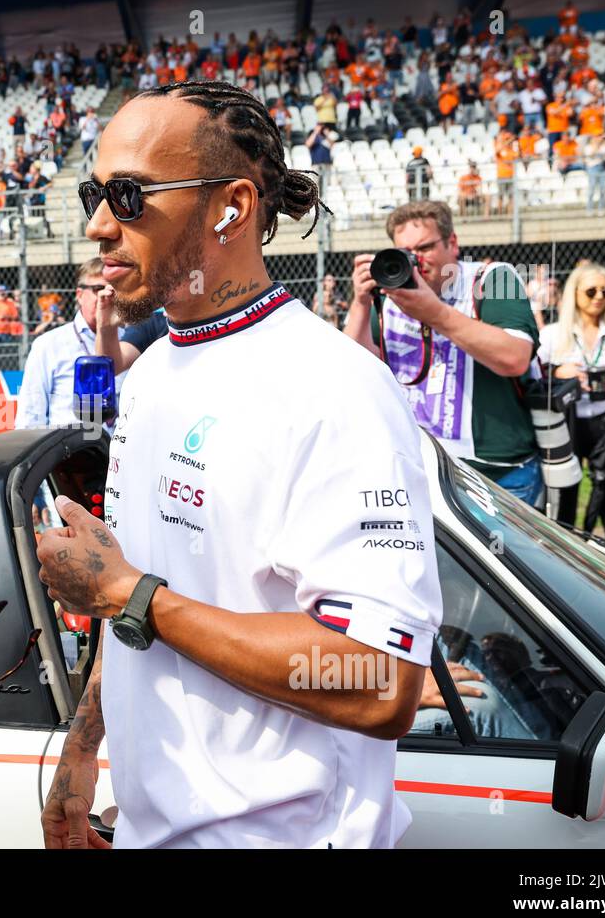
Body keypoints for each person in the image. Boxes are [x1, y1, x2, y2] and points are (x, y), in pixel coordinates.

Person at [39, 81, 441, 850]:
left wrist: (130, 593)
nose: (96, 225)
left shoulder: (334, 387)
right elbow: (138, 596)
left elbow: (381, 682)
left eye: (127, 195)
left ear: (231, 207)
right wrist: (83, 750)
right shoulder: (154, 368)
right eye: (96, 192)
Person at [344, 201, 544, 507]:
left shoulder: (492, 278)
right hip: (418, 469)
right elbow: (354, 371)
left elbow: (515, 357)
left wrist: (434, 313)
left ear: (453, 243)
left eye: (425, 247)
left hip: (494, 474)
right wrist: (360, 302)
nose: (416, 260)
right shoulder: (390, 293)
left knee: (494, 556)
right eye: (406, 251)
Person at [537, 263, 605, 543]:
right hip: (563, 425)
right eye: (591, 290)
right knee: (562, 511)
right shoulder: (553, 334)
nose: (599, 297)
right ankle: (560, 573)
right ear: (574, 293)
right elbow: (531, 373)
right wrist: (557, 370)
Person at [15, 258, 107, 428]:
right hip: (72, 451)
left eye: (113, 289)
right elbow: (30, 417)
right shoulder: (49, 344)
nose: (106, 296)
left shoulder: (131, 342)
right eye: (98, 289)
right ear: (79, 295)